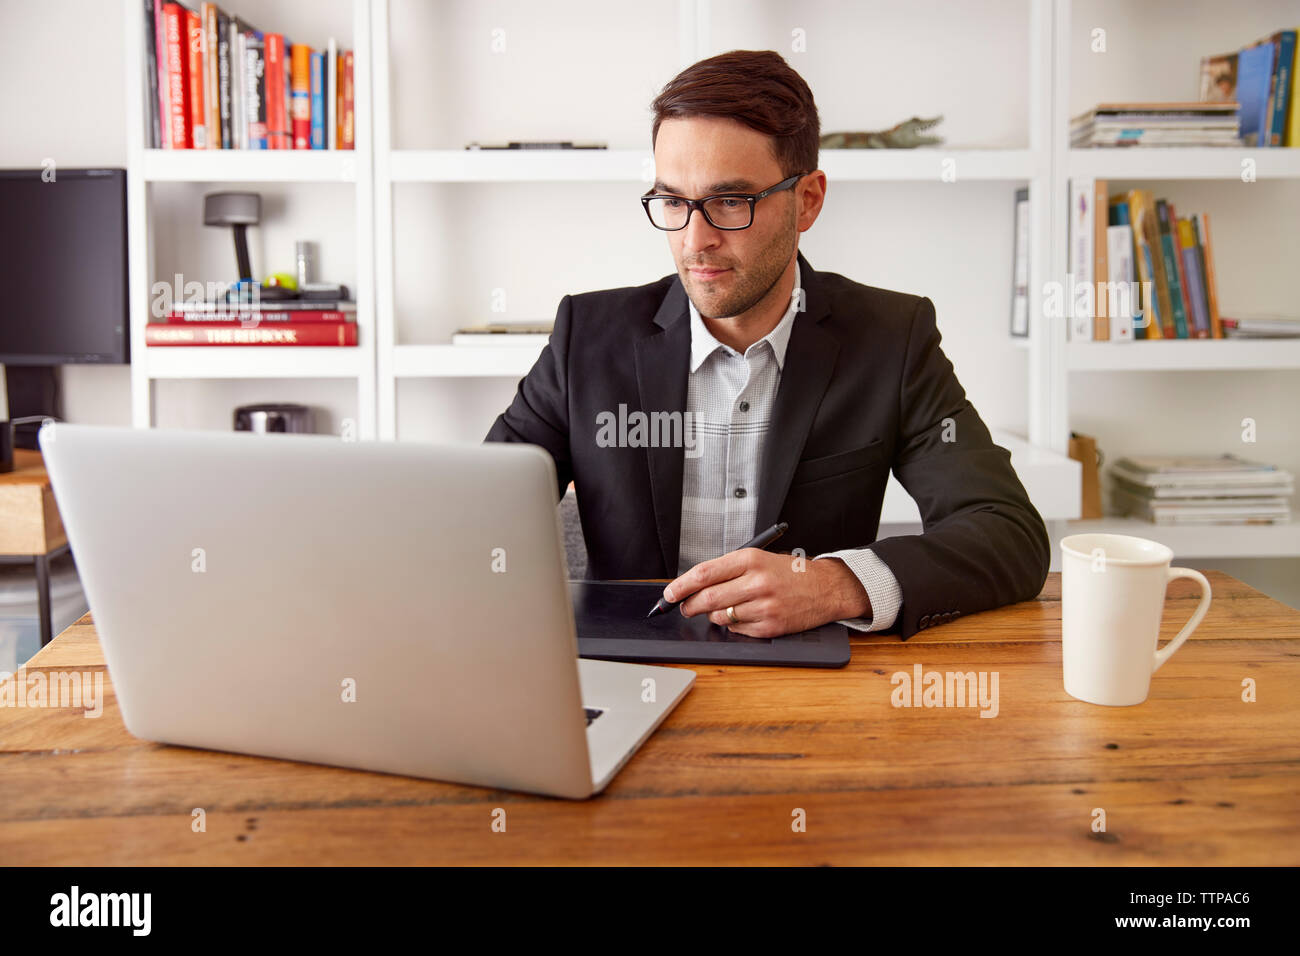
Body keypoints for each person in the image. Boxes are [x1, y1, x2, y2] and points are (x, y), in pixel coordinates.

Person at [486, 50, 1049, 640]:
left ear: (807, 200)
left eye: (731, 202)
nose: (694, 241)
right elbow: (479, 516)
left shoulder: (891, 337)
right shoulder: (587, 336)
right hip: (631, 668)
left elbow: (1007, 531)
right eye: (674, 202)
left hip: (808, 682)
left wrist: (837, 584)